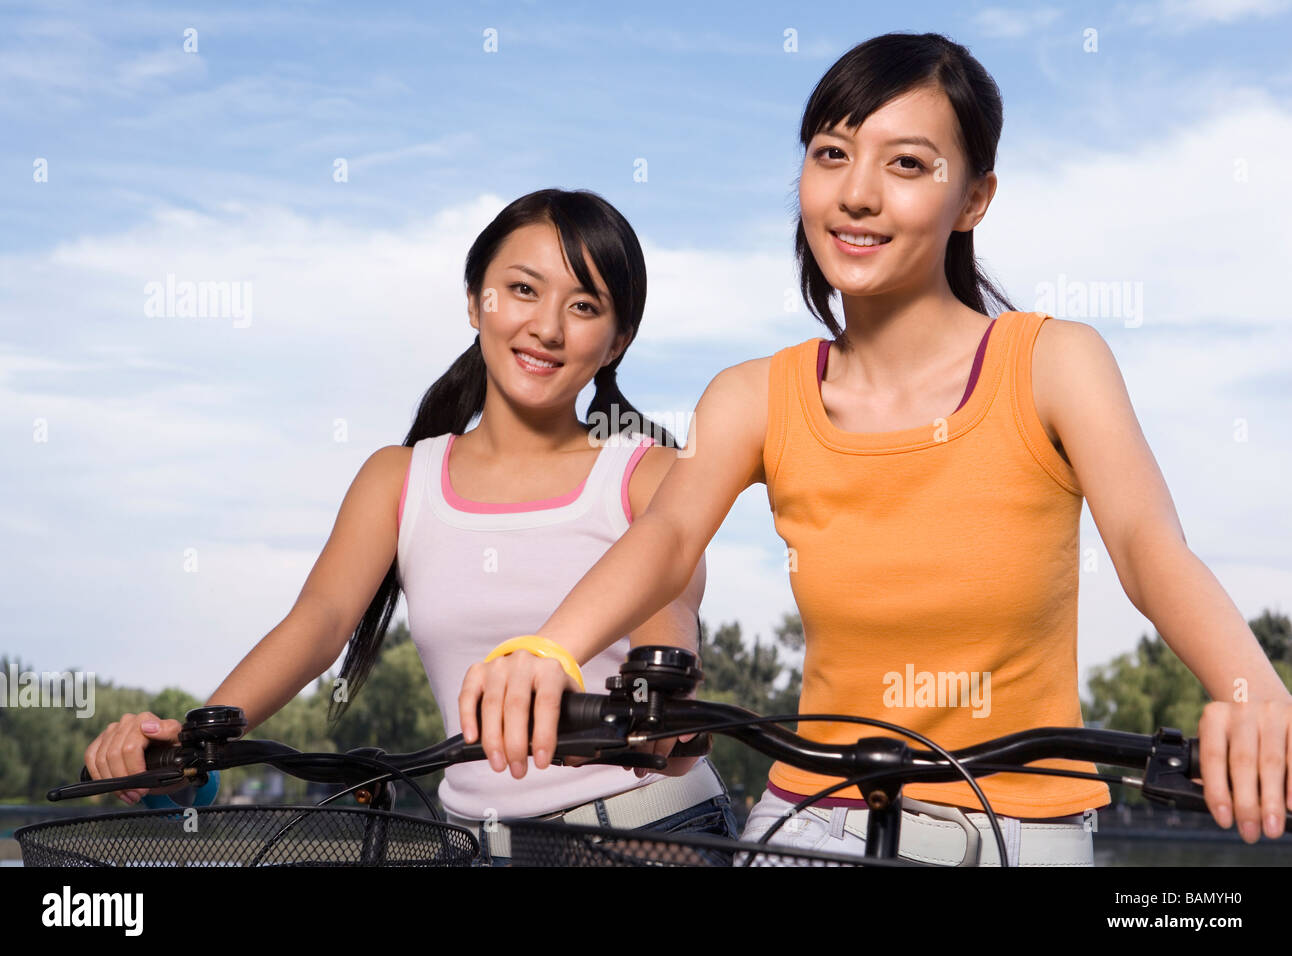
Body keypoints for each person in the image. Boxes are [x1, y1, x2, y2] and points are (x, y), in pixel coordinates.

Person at [458, 34, 1292, 866]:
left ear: (974, 199)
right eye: (832, 154)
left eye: (907, 165)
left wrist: (1245, 684)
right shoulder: (754, 395)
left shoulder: (1054, 364)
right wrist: (548, 646)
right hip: (810, 821)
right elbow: (667, 537)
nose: (856, 195)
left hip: (1018, 832)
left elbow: (1149, 550)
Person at [83, 188, 738, 866]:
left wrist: (667, 712)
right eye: (522, 289)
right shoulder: (398, 479)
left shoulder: (649, 472)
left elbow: (669, 614)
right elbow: (318, 621)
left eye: (583, 306)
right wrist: (190, 742)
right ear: (474, 299)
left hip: (648, 835)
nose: (547, 327)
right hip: (469, 842)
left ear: (617, 341)